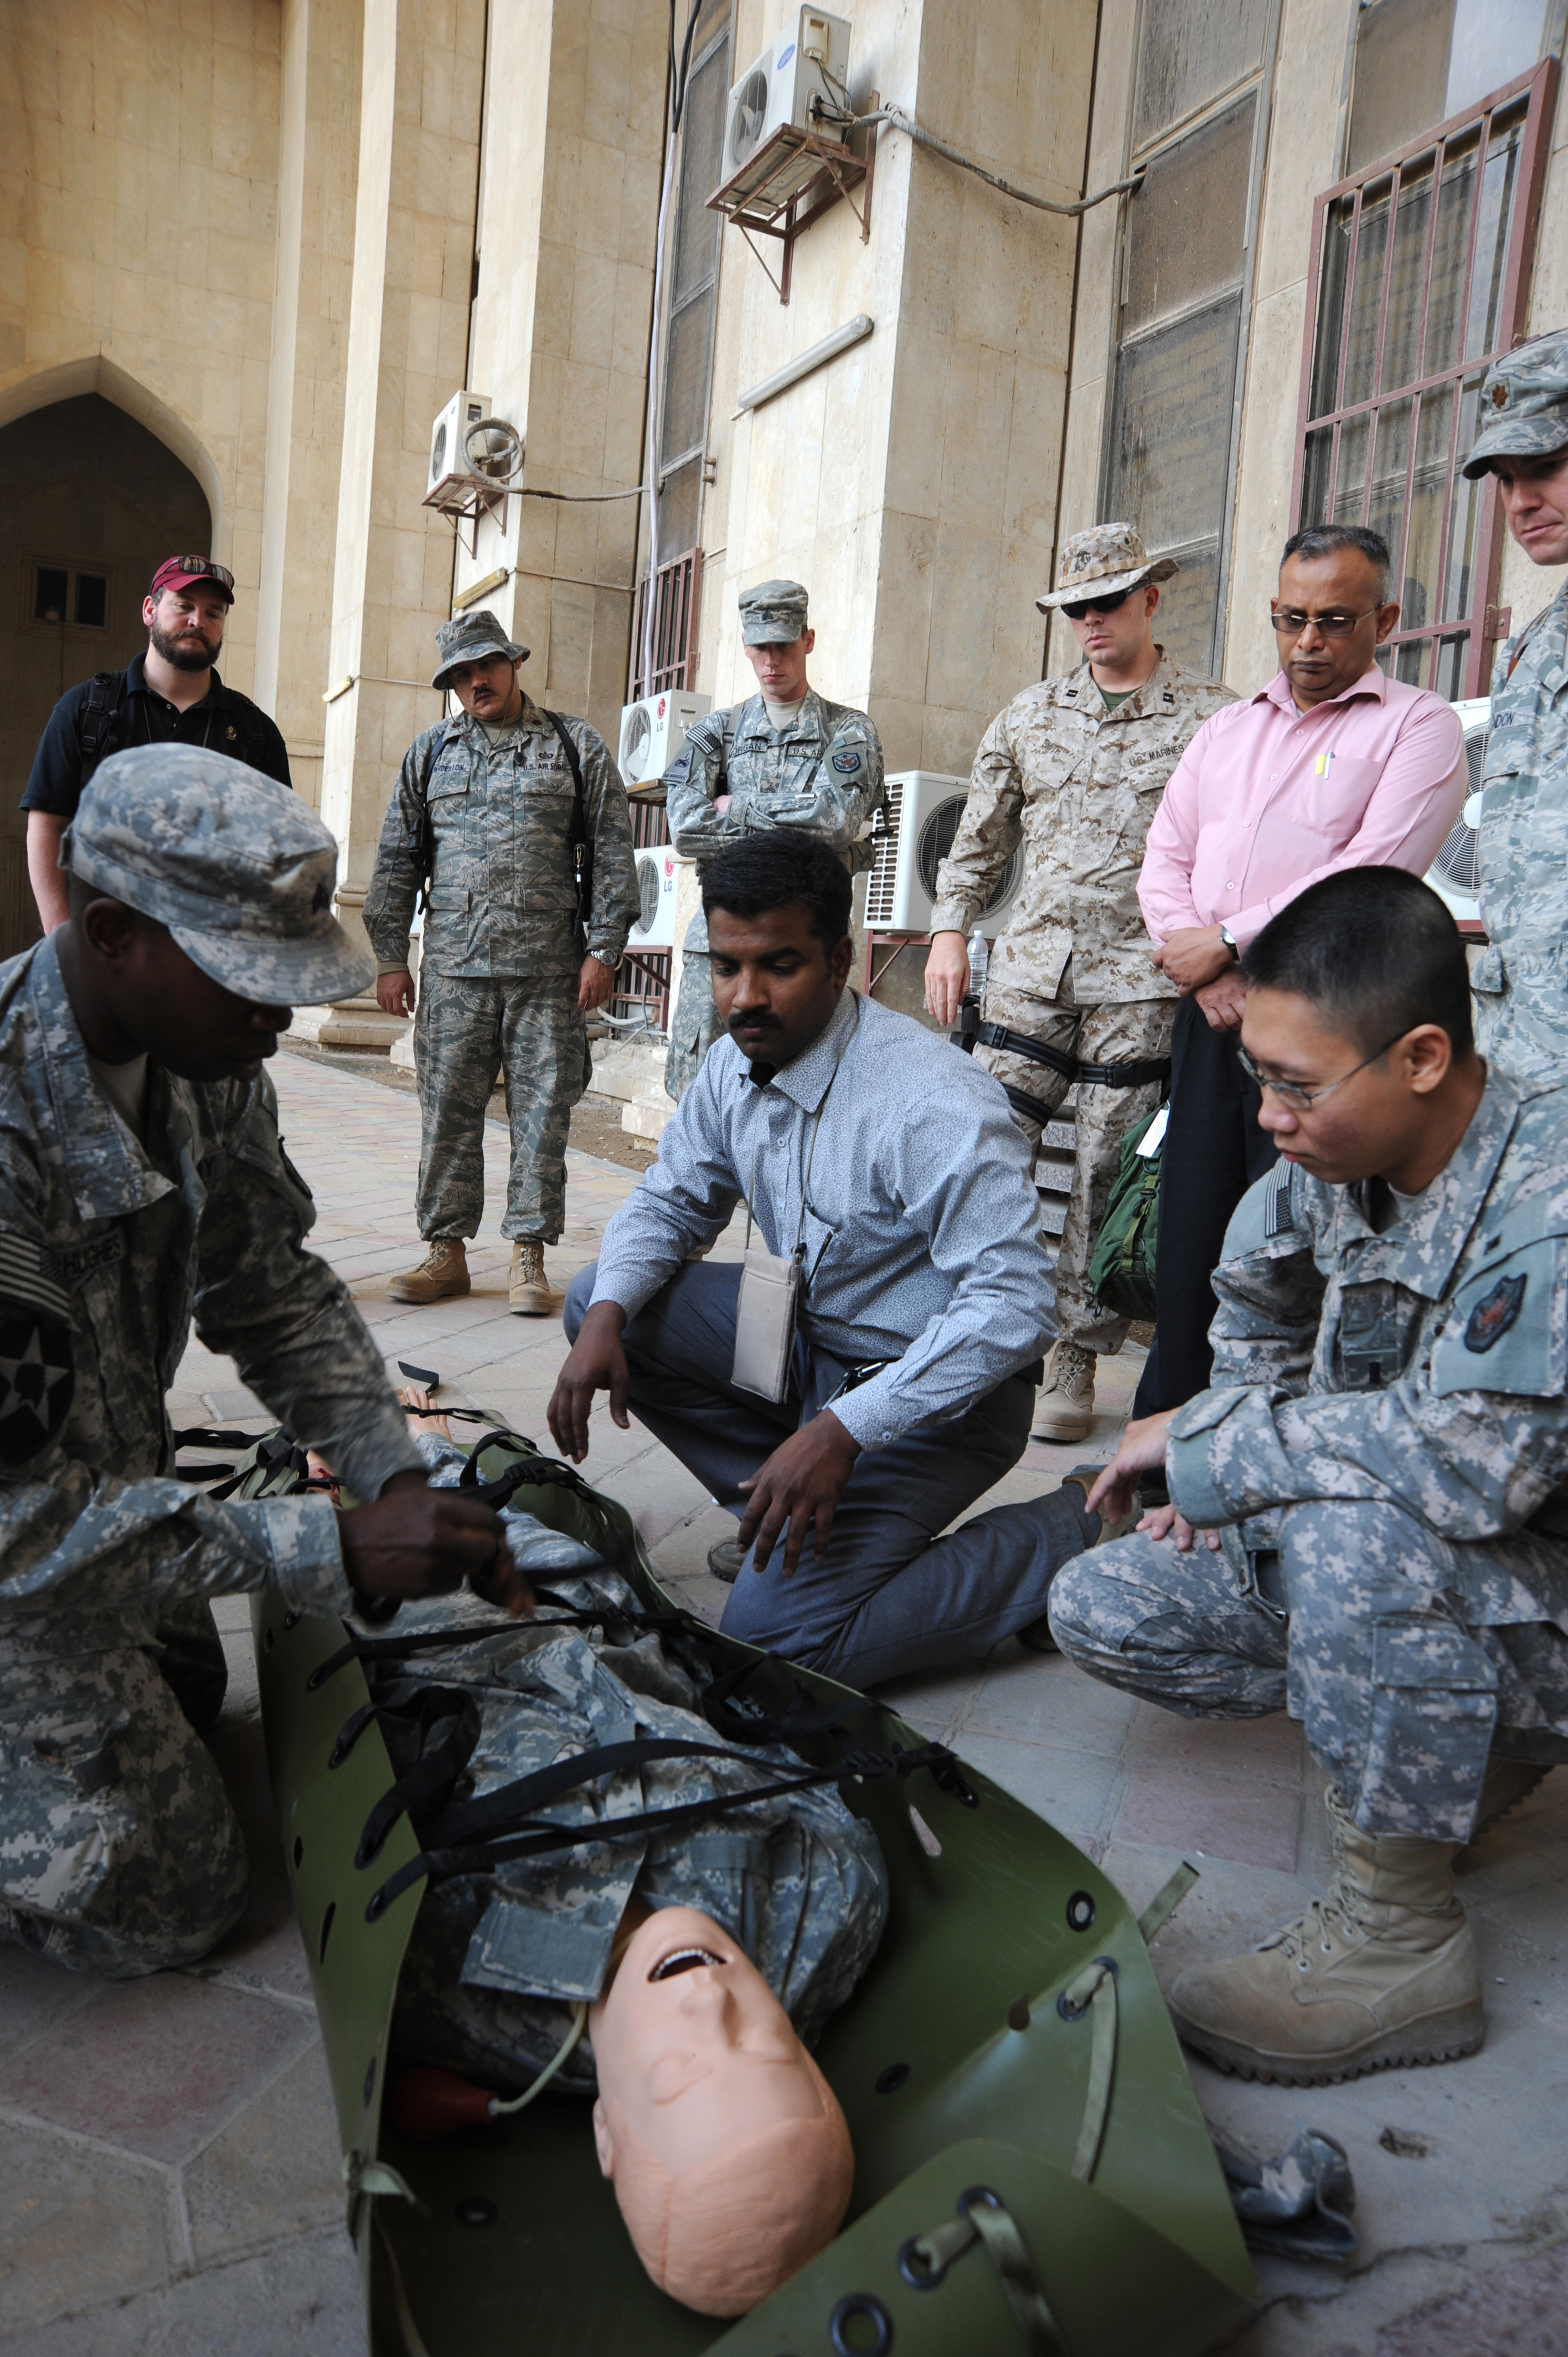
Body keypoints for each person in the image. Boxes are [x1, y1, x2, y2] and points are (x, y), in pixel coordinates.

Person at [0, 747, 516, 1979]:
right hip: (17, 1542)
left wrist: (393, 1476)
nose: (278, 1015)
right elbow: (21, 1538)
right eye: (247, 978)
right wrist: (331, 1547)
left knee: (186, 1673)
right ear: (116, 932)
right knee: (166, 1890)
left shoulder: (204, 1061)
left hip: (79, 1503)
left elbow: (270, 1287)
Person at [1050, 867, 1568, 2085]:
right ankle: (1448, 1744)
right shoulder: (1338, 1152)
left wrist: (1218, 1450)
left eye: (1295, 1085)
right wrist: (1226, 1439)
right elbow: (1259, 1297)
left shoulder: (1547, 1199)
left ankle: (1400, 1942)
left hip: (1524, 1566)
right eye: (1258, 1078)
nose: (1268, 1115)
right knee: (1108, 1601)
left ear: (1424, 1058)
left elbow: (1473, 1468)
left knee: (1348, 1538)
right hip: (1438, 1562)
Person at [547, 833, 1110, 1692]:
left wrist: (848, 1429)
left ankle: (1080, 1525)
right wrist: (604, 1320)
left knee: (783, 1650)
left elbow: (1014, 1307)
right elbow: (671, 1199)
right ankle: (787, 1521)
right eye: (726, 967)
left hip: (939, 1392)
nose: (745, 997)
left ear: (840, 960)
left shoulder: (931, 1103)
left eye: (779, 966)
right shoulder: (734, 1064)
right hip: (814, 1350)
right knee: (603, 1300)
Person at [1133, 523, 1468, 1436]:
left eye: (1333, 621)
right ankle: (1161, 1454)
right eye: (1290, 620)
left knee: (1301, 1260)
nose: (1308, 642)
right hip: (1210, 1028)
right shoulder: (1226, 730)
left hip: (1331, 1047)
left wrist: (1227, 942)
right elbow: (1164, 859)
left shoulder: (1418, 728)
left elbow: (1368, 872)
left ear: (1383, 619)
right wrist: (1201, 969)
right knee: (1191, 1247)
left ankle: (1277, 1459)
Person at [924, 523, 1236, 1444]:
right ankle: (974, 1321)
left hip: (1140, 982)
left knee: (1106, 1163)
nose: (1090, 622)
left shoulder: (1213, 720)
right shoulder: (1026, 717)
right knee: (981, 1138)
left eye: (1106, 603)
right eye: (1074, 610)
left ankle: (1072, 1350)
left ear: (1148, 599)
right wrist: (948, 935)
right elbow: (976, 842)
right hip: (1028, 973)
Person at [364, 610, 639, 1316]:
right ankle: (446, 1251)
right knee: (447, 1113)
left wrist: (605, 949)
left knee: (543, 1114)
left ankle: (529, 1254)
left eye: (485, 665)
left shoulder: (574, 745)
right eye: (461, 673)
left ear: (513, 663)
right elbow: (397, 860)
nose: (475, 681)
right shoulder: (430, 754)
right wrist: (392, 957)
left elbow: (612, 853)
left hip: (549, 971)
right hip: (454, 969)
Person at [661, 578, 885, 1106]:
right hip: (721, 942)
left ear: (807, 641)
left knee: (806, 1089)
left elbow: (836, 820)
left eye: (783, 645)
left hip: (804, 944)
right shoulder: (716, 732)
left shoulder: (848, 731)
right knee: (699, 1092)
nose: (772, 660)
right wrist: (793, 813)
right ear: (745, 647)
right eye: (760, 646)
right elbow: (686, 827)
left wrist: (733, 808)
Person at [22, 555, 291, 935]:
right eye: (184, 606)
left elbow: (277, 852)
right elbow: (46, 825)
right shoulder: (85, 710)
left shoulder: (254, 732)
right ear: (150, 610)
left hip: (210, 965)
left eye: (214, 614)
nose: (198, 622)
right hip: (101, 952)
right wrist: (62, 941)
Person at [1458, 328, 1568, 1080]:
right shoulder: (1530, 647)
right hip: (1524, 1046)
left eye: (1548, 467)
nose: (1522, 500)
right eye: (1505, 477)